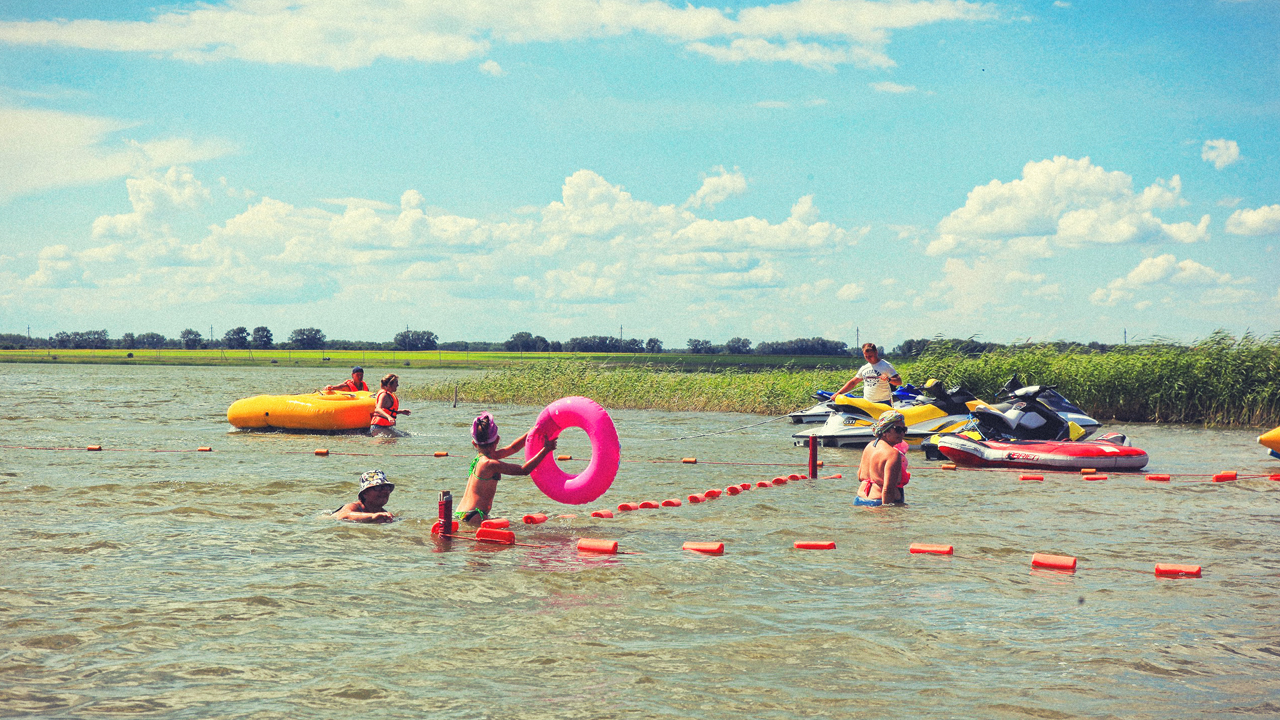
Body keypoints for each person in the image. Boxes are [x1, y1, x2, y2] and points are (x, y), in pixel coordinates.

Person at [454, 412, 557, 526]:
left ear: (474, 444)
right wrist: (546, 450)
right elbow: (524, 470)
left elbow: (513, 448)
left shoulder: (481, 459)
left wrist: (534, 430)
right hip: (475, 515)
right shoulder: (489, 463)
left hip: (462, 513)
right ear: (497, 440)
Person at [856, 410, 908, 506]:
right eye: (897, 429)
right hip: (879, 503)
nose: (902, 433)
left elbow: (860, 476)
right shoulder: (893, 454)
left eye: (904, 429)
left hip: (860, 499)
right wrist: (886, 513)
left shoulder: (869, 446)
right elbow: (888, 490)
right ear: (884, 431)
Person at [834, 343, 901, 405]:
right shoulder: (864, 368)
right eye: (866, 356)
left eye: (870, 356)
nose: (868, 358)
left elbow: (899, 381)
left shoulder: (886, 365)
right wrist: (838, 393)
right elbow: (853, 382)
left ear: (876, 353)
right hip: (868, 403)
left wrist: (888, 379)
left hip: (883, 402)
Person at [332, 469, 396, 522]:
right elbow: (343, 516)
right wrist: (372, 516)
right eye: (378, 487)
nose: (384, 491)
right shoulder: (354, 506)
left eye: (386, 487)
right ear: (365, 493)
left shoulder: (383, 512)